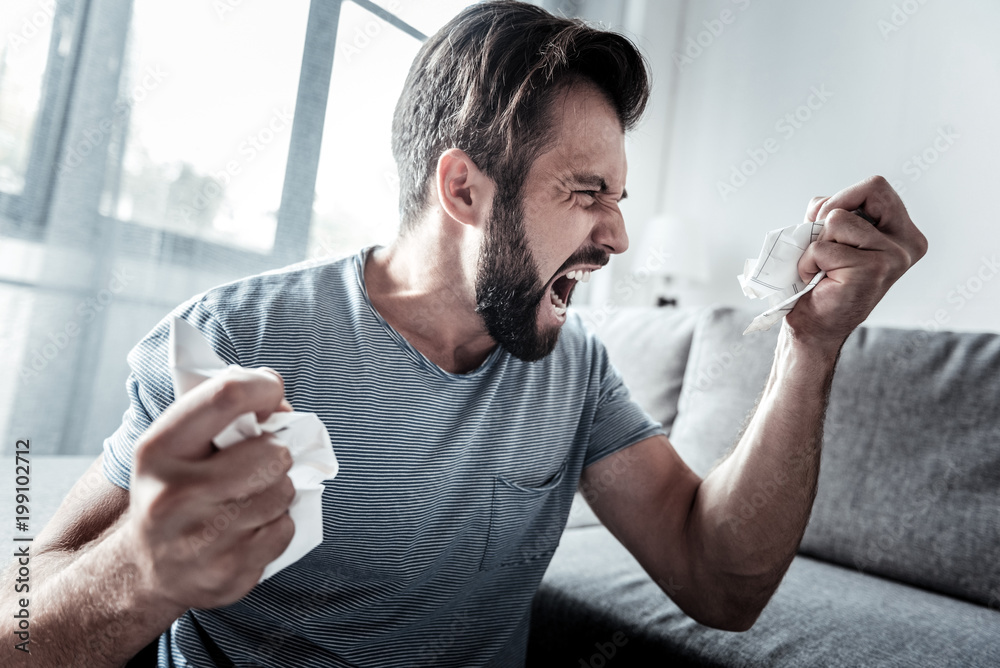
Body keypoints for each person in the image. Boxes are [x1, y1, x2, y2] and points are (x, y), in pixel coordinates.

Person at [0, 1, 927, 666]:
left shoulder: (575, 370)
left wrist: (810, 346)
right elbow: (22, 621)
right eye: (586, 194)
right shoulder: (233, 339)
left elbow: (721, 584)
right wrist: (138, 574)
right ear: (464, 190)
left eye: (620, 199)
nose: (617, 237)